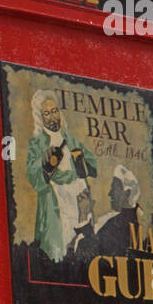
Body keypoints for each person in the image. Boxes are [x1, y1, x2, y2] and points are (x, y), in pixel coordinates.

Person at [25, 88, 98, 263]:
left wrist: (82, 163)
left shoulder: (70, 140)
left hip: (79, 197)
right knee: (60, 247)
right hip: (57, 200)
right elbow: (33, 175)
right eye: (47, 113)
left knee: (82, 245)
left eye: (55, 111)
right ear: (40, 117)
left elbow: (93, 164)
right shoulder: (37, 143)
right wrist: (48, 165)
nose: (53, 117)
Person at [94, 165, 141, 255]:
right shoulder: (113, 219)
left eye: (114, 188)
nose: (110, 193)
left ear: (128, 193)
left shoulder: (116, 225)